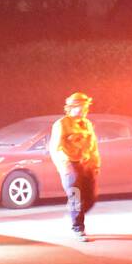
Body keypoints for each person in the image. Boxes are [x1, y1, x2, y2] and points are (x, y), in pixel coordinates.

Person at [49, 92, 100, 241]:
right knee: (76, 195)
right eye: (82, 107)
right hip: (69, 164)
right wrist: (63, 166)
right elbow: (55, 148)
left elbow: (94, 145)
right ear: (72, 107)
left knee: (90, 198)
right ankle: (78, 228)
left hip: (86, 163)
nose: (85, 110)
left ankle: (74, 208)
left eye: (86, 107)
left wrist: (96, 163)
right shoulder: (61, 124)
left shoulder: (87, 124)